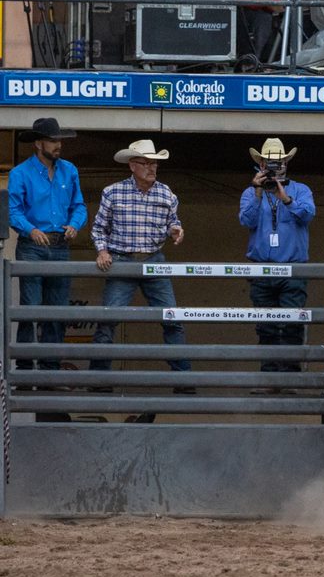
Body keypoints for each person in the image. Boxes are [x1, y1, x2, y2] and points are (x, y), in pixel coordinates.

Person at [89, 139, 192, 388]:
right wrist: (102, 250)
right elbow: (99, 228)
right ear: (132, 165)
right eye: (146, 163)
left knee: (172, 318)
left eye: (154, 163)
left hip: (153, 259)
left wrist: (176, 230)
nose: (152, 168)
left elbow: (172, 222)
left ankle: (184, 379)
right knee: (108, 319)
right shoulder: (112, 192)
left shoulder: (167, 193)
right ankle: (97, 380)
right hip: (122, 259)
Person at [7, 117, 87, 374]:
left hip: (60, 244)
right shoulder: (19, 173)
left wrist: (75, 223)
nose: (58, 145)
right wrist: (31, 230)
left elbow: (79, 206)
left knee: (57, 309)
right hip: (32, 245)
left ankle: (50, 366)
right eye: (53, 141)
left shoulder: (69, 170)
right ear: (38, 144)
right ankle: (25, 365)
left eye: (59, 141)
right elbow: (13, 211)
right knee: (30, 307)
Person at [238, 138, 316, 379]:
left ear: (285, 164)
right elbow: (246, 221)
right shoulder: (251, 192)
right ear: (260, 164)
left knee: (292, 325)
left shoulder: (301, 190)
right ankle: (269, 378)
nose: (274, 167)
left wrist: (286, 199)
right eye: (269, 163)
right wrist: (259, 192)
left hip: (293, 269)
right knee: (266, 327)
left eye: (278, 162)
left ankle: (291, 378)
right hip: (261, 270)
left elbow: (308, 215)